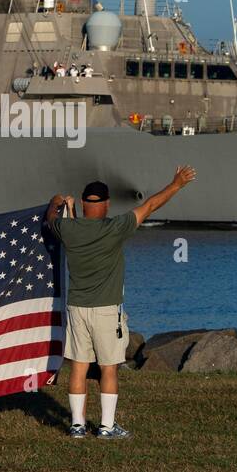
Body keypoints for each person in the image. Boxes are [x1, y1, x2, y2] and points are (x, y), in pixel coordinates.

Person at [45, 166, 197, 440]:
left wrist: (57, 202)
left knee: (78, 367)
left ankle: (77, 426)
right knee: (108, 368)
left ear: (82, 203)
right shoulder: (116, 227)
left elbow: (52, 220)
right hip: (106, 310)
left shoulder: (67, 228)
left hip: (77, 309)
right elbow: (150, 205)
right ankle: (106, 427)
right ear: (106, 205)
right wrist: (177, 184)